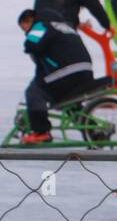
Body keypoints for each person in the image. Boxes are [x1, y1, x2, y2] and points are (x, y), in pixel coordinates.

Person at [17, 9, 96, 143]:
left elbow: (31, 44)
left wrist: (29, 43)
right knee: (68, 102)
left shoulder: (41, 25)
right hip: (85, 71)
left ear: (29, 20)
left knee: (35, 92)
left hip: (68, 71)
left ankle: (41, 132)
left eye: (25, 29)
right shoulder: (64, 26)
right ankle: (93, 131)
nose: (26, 33)